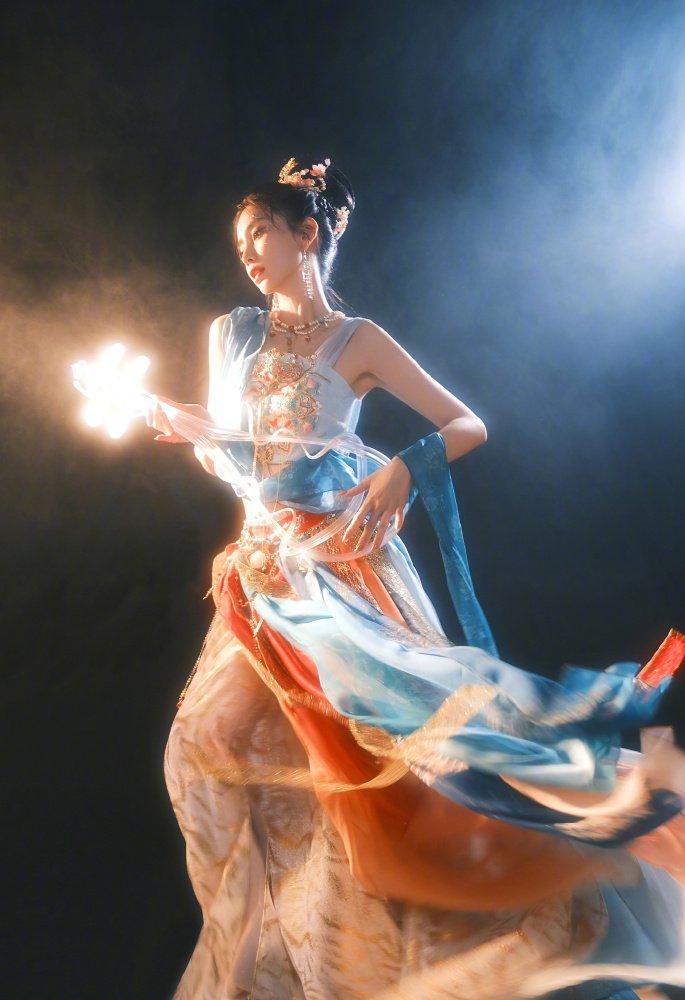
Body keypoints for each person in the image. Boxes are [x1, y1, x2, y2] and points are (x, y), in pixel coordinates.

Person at [151, 155, 685, 1000]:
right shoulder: (233, 332)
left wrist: (403, 468)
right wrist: (196, 429)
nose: (247, 252)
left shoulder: (357, 341)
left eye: (260, 231)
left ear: (307, 233)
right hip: (265, 574)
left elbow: (465, 421)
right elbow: (242, 464)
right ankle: (275, 963)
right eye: (239, 240)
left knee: (416, 754)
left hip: (341, 571)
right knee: (204, 745)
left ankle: (523, 897)